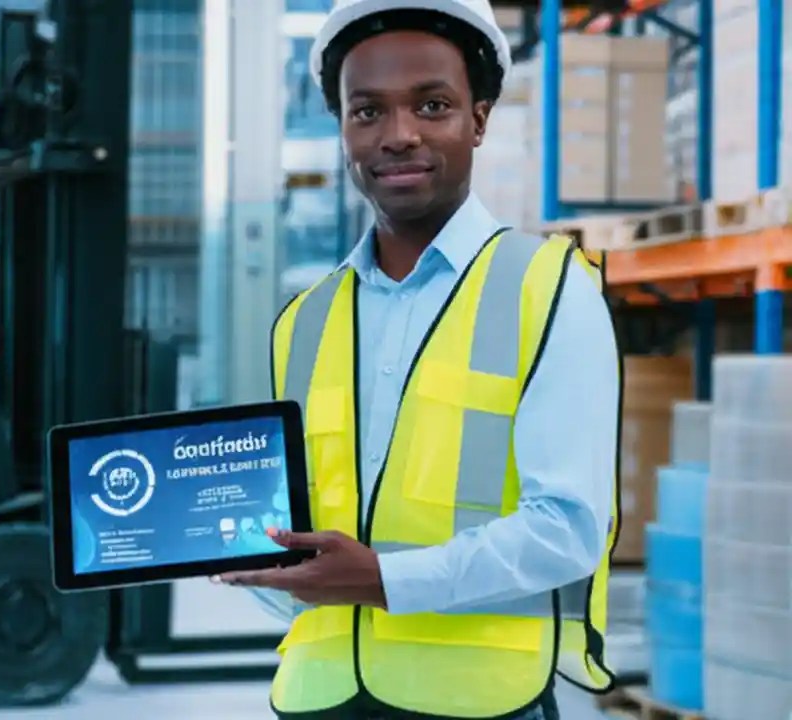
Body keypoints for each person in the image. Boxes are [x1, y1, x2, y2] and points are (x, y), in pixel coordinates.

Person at [213, 1, 622, 718]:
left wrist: (383, 579)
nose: (398, 136)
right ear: (342, 129)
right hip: (321, 696)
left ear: (480, 120)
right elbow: (304, 528)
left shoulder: (549, 287)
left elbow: (568, 528)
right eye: (366, 112)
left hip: (480, 703)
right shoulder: (303, 322)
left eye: (432, 105)